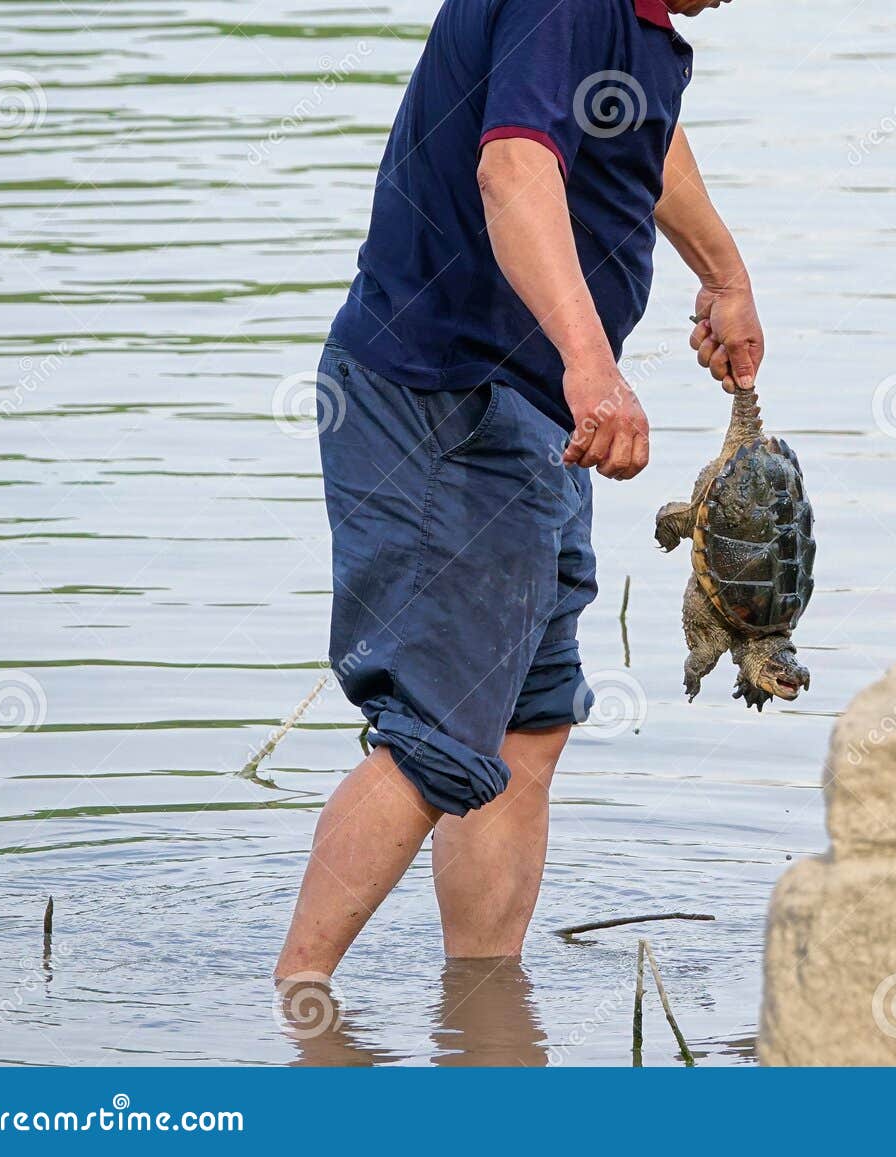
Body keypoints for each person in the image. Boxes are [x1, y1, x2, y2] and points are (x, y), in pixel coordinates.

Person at [275, 0, 760, 982]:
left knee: (525, 727)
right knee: (437, 731)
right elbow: (513, 165)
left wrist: (724, 273)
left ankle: (483, 1016)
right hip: (443, 394)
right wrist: (592, 364)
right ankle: (299, 1009)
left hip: (534, 415)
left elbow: (640, 141)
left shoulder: (641, 33)